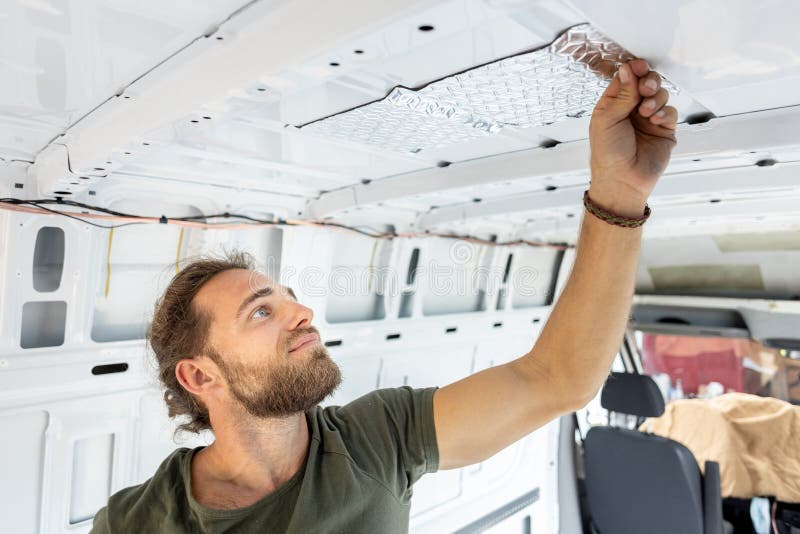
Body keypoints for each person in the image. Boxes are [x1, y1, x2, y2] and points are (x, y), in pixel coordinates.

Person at [90, 58, 677, 533]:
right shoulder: (134, 523)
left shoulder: (377, 439)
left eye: (289, 298)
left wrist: (618, 194)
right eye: (261, 311)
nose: (302, 313)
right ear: (199, 376)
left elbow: (557, 379)